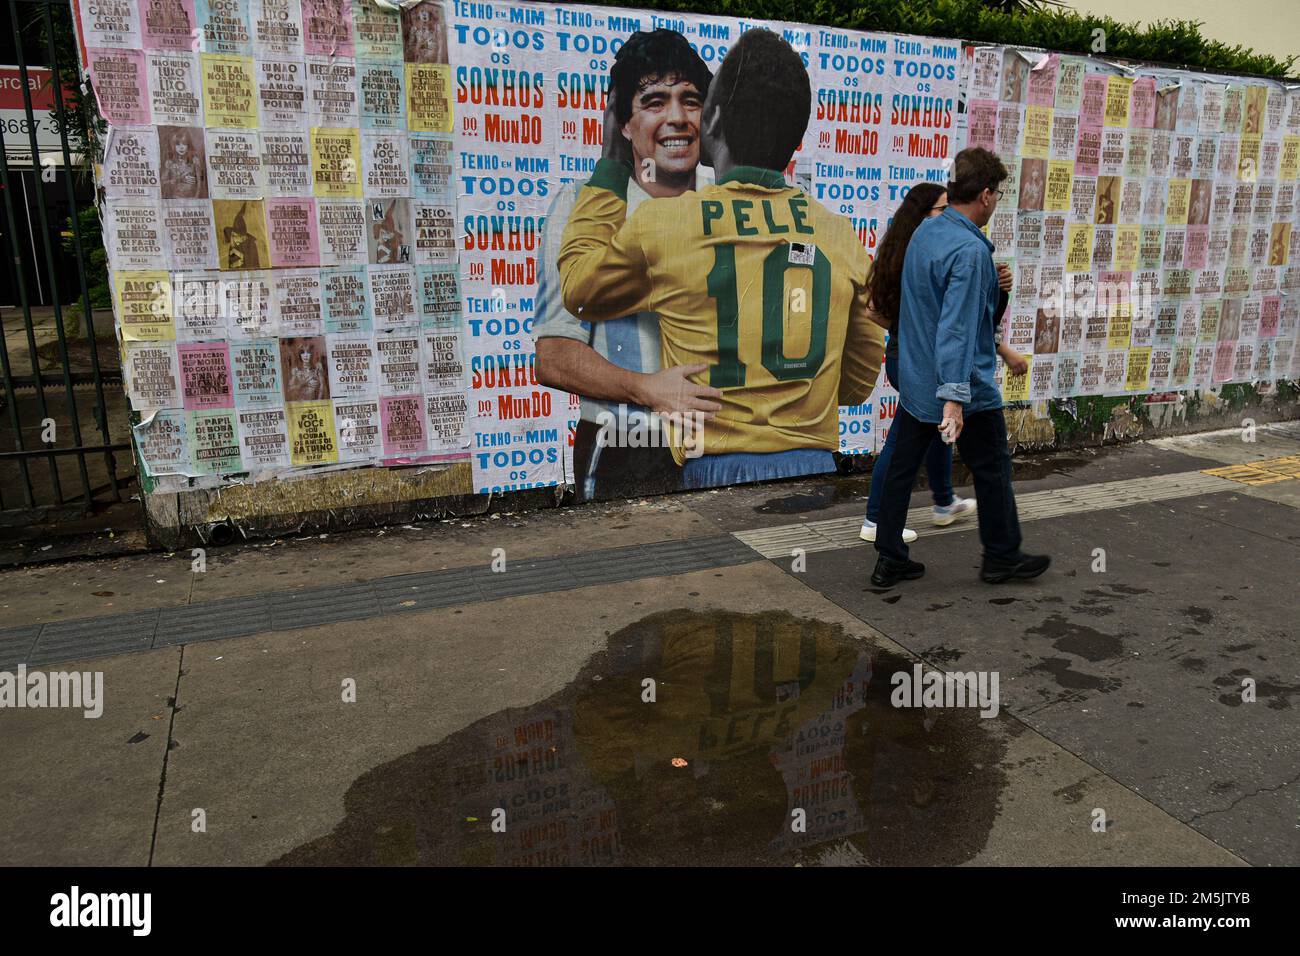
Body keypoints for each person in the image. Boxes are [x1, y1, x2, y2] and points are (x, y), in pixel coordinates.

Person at [559, 29, 885, 489]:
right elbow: (855, 385)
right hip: (814, 470)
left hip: (711, 471)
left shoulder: (663, 225)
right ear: (798, 133)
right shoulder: (839, 235)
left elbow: (577, 290)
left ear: (711, 122)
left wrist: (613, 160)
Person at [535, 30, 722, 500]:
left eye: (691, 100)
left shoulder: (727, 200)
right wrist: (648, 389)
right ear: (623, 123)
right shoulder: (582, 204)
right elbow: (554, 357)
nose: (677, 117)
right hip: (628, 448)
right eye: (655, 102)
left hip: (726, 445)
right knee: (633, 574)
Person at [871, 147, 1050, 588]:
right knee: (991, 468)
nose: (997, 202)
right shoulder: (969, 252)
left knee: (901, 468)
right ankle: (1003, 556)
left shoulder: (925, 232)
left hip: (918, 380)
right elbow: (955, 329)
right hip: (962, 386)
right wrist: (953, 398)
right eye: (999, 195)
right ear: (986, 195)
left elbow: (921, 312)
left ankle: (890, 557)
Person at [860, 182, 1022, 543]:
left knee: (936, 435)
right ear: (923, 214)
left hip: (936, 361)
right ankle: (876, 519)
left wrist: (997, 288)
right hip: (913, 360)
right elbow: (874, 310)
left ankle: (942, 502)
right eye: (941, 209)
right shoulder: (909, 251)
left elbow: (964, 321)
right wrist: (912, 333)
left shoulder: (945, 250)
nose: (949, 215)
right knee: (907, 441)